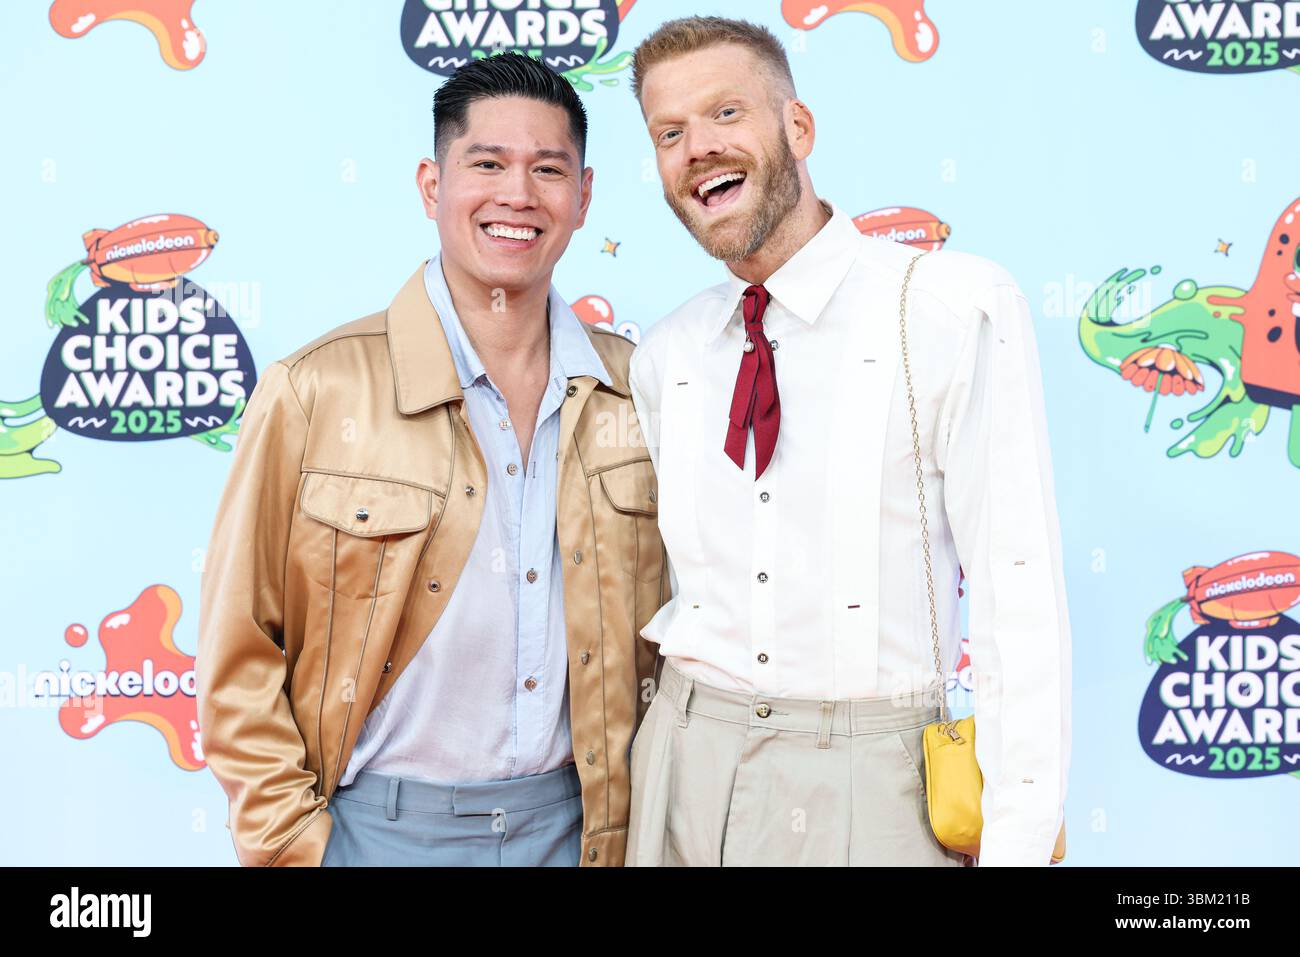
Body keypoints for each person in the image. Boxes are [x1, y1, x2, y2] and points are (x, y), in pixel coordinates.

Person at [196, 52, 665, 867]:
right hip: (375, 832)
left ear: (583, 197)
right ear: (431, 185)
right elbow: (238, 650)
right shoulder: (317, 389)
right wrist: (301, 850)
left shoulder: (641, 390)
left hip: (580, 831)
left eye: (548, 170)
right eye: (486, 164)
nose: (517, 195)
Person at [624, 16, 1071, 867]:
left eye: (726, 114)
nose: (696, 149)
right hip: (685, 762)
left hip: (879, 778)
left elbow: (1019, 594)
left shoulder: (947, 308)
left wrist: (1017, 839)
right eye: (668, 133)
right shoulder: (669, 353)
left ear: (799, 128)